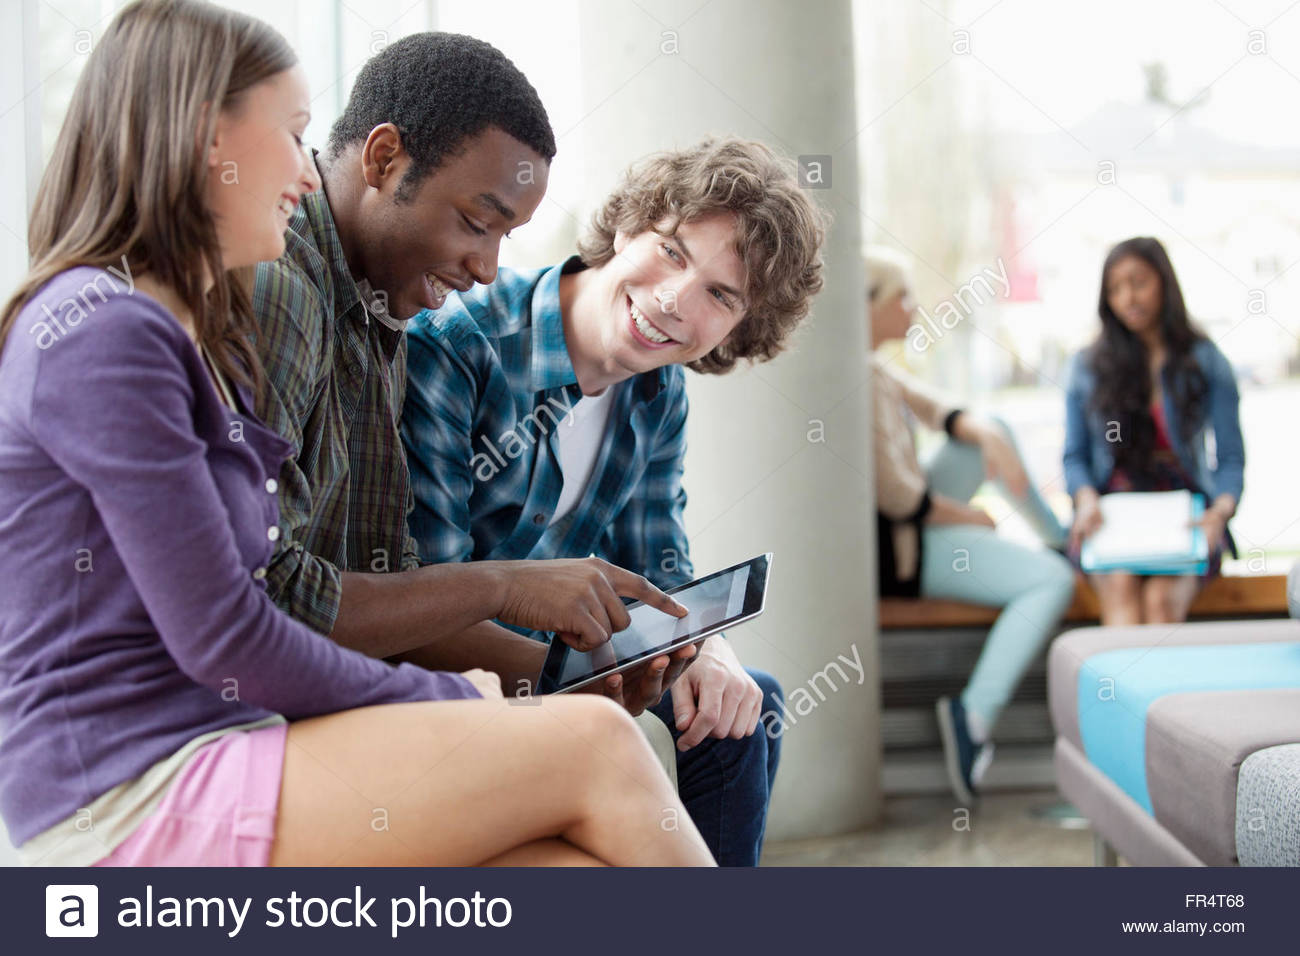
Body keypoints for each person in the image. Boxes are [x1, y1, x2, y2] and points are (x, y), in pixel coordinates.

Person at [0, 0, 712, 868]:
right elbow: (241, 625)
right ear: (204, 143)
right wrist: (461, 687)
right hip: (134, 779)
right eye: (292, 131)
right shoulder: (141, 324)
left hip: (216, 743)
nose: (303, 170)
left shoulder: (276, 322)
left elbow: (348, 584)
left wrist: (529, 673)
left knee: (565, 869)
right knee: (597, 746)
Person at [402, 138, 826, 865]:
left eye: (720, 296)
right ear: (628, 227)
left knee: (743, 705)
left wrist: (707, 647)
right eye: (671, 252)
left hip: (572, 663)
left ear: (738, 328)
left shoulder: (659, 390)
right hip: (457, 671)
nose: (673, 300)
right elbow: (427, 605)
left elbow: (657, 561)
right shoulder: (463, 344)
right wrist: (583, 683)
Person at [251, 31, 693, 713]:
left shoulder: (381, 315)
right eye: (474, 222)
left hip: (333, 701)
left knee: (603, 736)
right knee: (596, 758)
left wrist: (566, 677)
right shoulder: (278, 288)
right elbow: (263, 594)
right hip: (245, 723)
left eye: (504, 239)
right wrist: (503, 585)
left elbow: (386, 588)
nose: (486, 268)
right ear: (385, 159)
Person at [866, 248, 1075, 805]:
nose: (913, 310)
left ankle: (1058, 537)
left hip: (909, 528)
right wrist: (972, 517)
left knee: (991, 425)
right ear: (868, 306)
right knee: (1051, 581)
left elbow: (940, 409)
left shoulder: (874, 369)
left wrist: (986, 434)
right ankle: (972, 716)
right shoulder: (855, 384)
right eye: (902, 298)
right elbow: (896, 498)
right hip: (896, 551)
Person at [1064, 236, 1244, 625]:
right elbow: (1074, 456)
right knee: (1121, 592)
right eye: (1115, 288)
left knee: (1161, 602)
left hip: (1186, 514)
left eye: (1139, 281)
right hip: (1109, 511)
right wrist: (1085, 499)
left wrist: (1219, 513)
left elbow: (1230, 458)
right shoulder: (1088, 366)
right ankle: (1119, 689)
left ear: (1164, 281)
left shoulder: (1205, 360)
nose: (1128, 297)